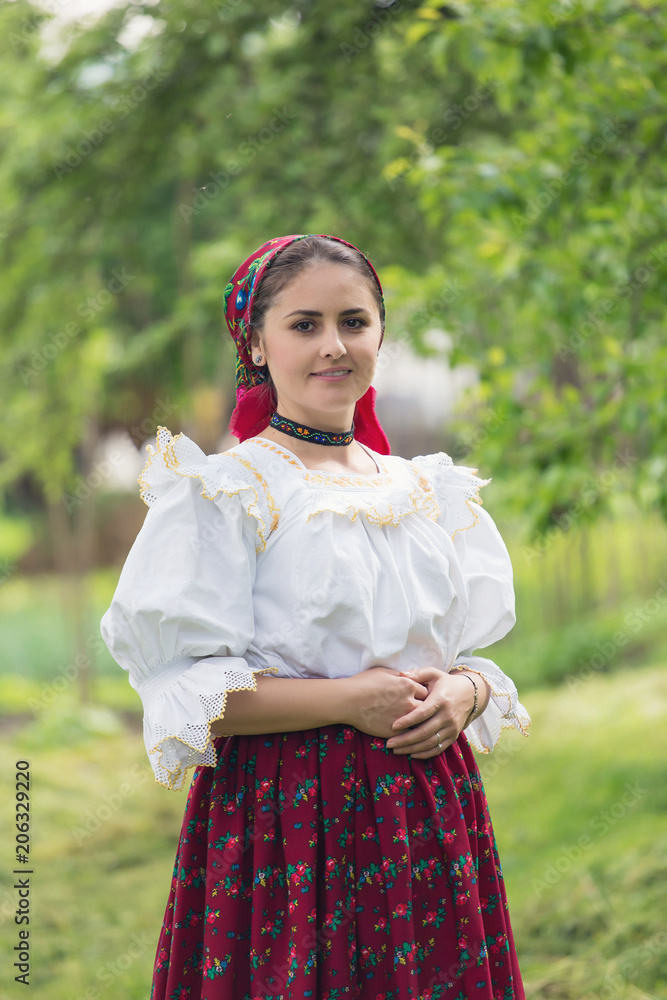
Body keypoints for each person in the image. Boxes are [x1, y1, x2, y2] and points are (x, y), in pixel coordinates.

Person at [101, 233, 531, 1000]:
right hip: (287, 823)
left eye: (354, 322)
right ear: (257, 346)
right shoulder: (229, 492)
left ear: (379, 335)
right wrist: (349, 702)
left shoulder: (427, 491)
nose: (334, 346)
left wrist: (466, 693)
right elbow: (190, 695)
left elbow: (463, 653)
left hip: (425, 809)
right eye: (304, 325)